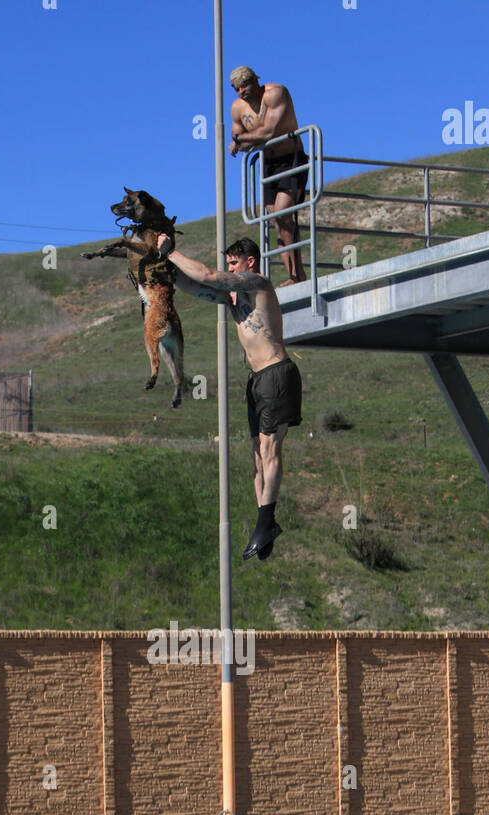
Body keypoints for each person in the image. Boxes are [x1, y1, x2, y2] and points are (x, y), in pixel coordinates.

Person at [156, 232, 302, 561]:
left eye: (234, 262)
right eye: (228, 263)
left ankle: (267, 522)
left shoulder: (258, 282)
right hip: (257, 379)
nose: (230, 267)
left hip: (277, 373)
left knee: (269, 448)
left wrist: (172, 251)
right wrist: (163, 265)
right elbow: (195, 286)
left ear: (250, 261)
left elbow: (208, 275)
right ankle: (264, 525)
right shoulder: (234, 298)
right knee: (256, 457)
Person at [229, 65, 307, 286]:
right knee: (276, 221)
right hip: (267, 165)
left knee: (283, 214)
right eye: (237, 88)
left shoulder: (275, 93)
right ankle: (295, 275)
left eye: (245, 84)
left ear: (255, 80)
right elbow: (237, 139)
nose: (242, 91)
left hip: (291, 157)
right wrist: (239, 141)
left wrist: (240, 140)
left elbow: (268, 131)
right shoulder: (237, 108)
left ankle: (297, 275)